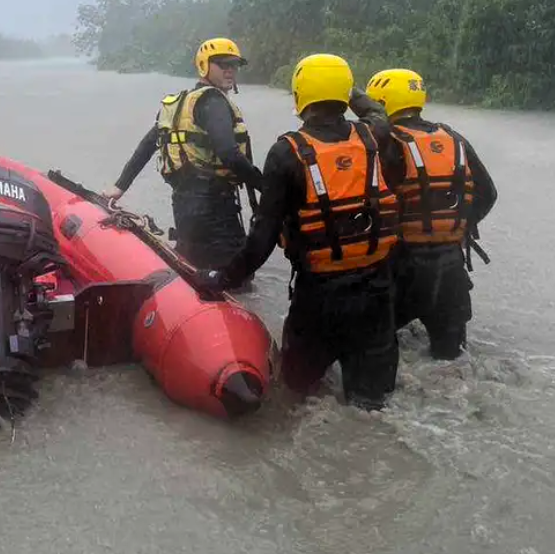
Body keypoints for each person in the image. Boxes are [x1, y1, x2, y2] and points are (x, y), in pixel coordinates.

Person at [199, 54, 402, 411]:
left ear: (299, 95)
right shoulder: (373, 136)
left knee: (295, 398)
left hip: (317, 301)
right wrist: (349, 88)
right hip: (377, 299)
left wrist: (221, 278)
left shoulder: (285, 153)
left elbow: (261, 242)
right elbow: (377, 113)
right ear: (343, 94)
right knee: (371, 406)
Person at [366, 68, 498, 360]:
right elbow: (488, 194)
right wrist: (456, 227)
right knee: (451, 362)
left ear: (382, 102)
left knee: (379, 353)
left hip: (403, 266)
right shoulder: (454, 139)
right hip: (451, 267)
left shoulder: (386, 145)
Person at [103, 37, 263, 275]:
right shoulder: (213, 102)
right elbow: (229, 153)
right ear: (204, 66)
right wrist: (266, 186)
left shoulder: (178, 104)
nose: (230, 70)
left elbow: (148, 145)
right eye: (222, 64)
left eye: (234, 65)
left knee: (193, 267)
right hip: (215, 209)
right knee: (237, 280)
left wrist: (119, 187)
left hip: (184, 205)